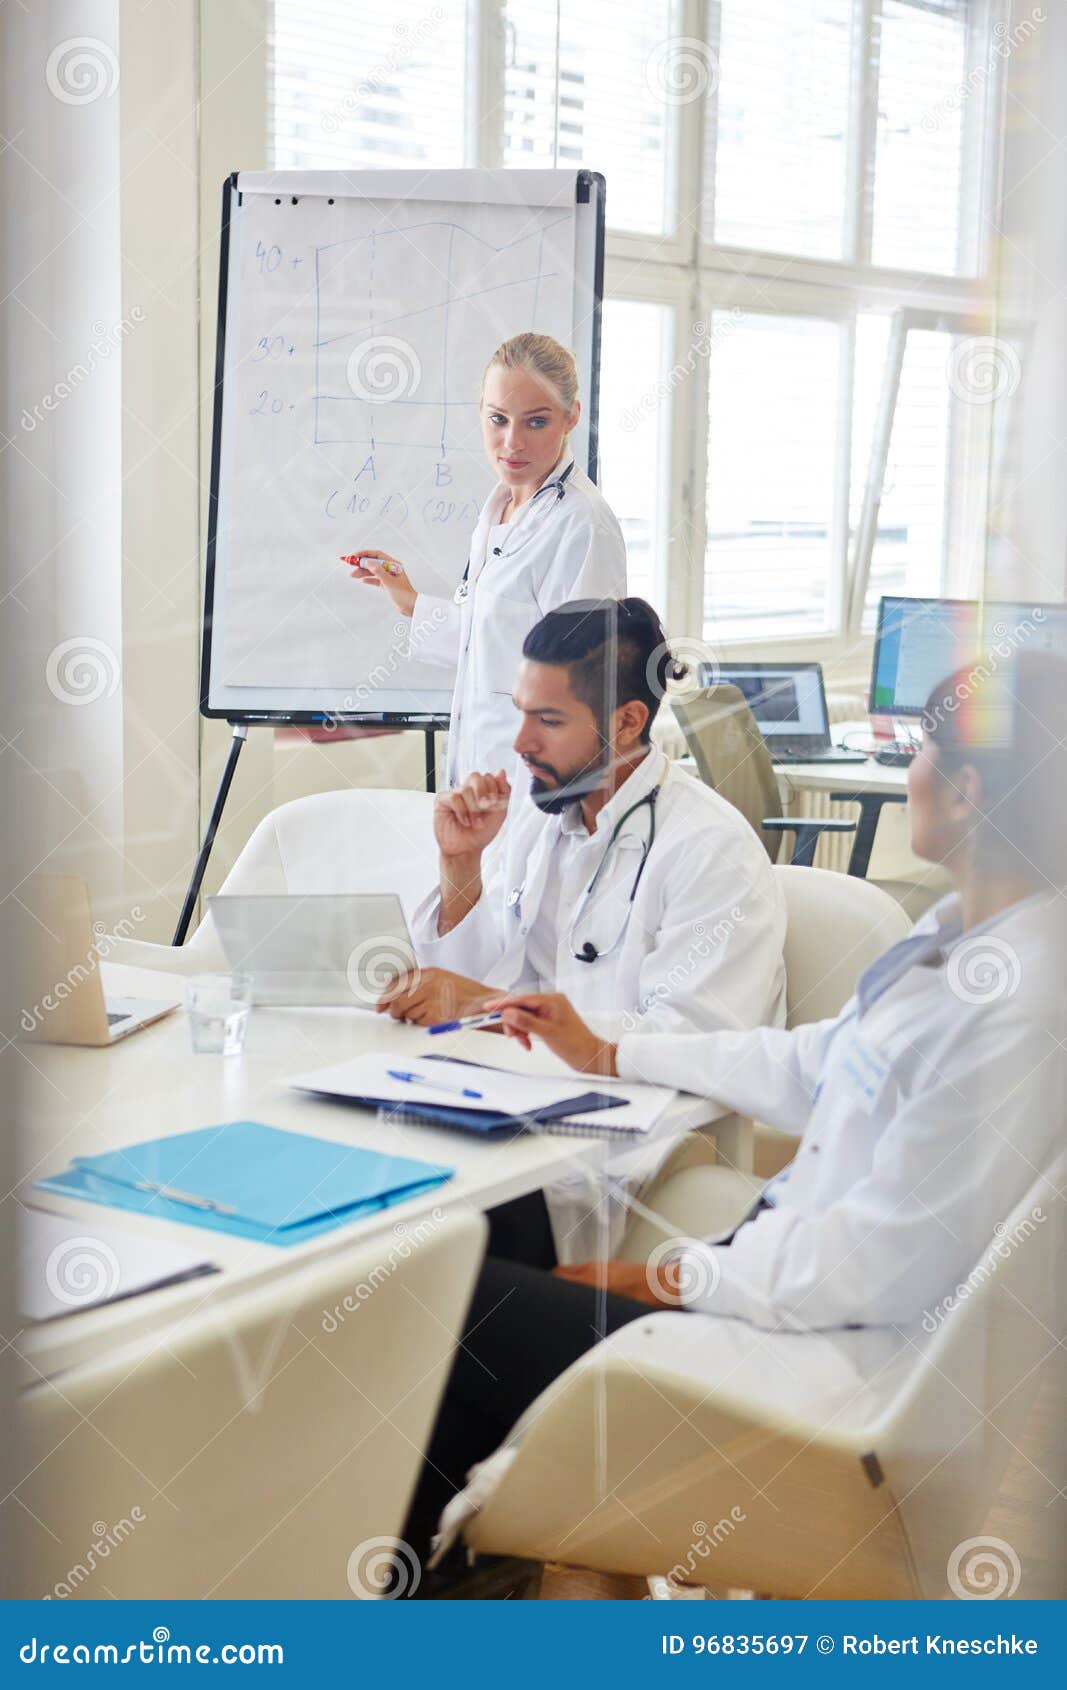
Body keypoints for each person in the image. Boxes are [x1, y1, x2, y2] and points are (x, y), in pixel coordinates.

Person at [399, 652, 1067, 1582]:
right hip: (787, 1284)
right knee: (493, 1223)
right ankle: (501, 1556)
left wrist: (664, 1278)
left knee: (446, 1307)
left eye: (917, 750)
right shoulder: (963, 935)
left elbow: (869, 1267)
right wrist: (607, 1051)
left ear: (961, 792)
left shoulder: (1013, 1005)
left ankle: (421, 1596)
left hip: (808, 1373)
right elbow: (809, 1061)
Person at [378, 596, 788, 1261]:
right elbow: (489, 977)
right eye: (519, 714)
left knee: (418, 1236)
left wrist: (485, 1006)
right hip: (507, 1106)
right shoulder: (550, 818)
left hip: (620, 1152)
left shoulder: (708, 849)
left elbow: (700, 1042)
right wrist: (461, 864)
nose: (520, 744)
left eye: (548, 720)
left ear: (627, 721)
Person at [345, 333, 626, 788]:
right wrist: (410, 601)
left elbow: (584, 679)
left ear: (571, 417)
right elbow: (492, 643)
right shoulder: (501, 509)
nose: (511, 442)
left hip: (535, 783)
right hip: (482, 770)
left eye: (536, 422)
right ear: (480, 411)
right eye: (498, 419)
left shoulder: (582, 525)